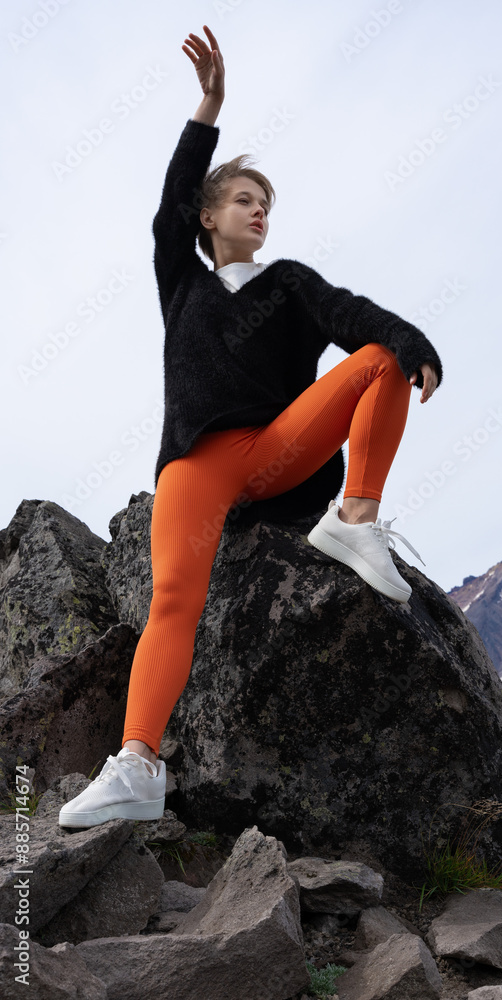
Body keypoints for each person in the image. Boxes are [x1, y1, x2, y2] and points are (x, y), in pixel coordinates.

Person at [59, 25, 443, 829]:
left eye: (266, 204)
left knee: (377, 358)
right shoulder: (183, 285)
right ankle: (137, 766)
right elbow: (165, 206)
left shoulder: (291, 283)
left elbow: (357, 317)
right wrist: (208, 110)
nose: (259, 211)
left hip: (277, 455)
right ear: (208, 217)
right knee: (172, 600)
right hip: (196, 464)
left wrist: (415, 346)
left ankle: (355, 521)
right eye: (243, 200)